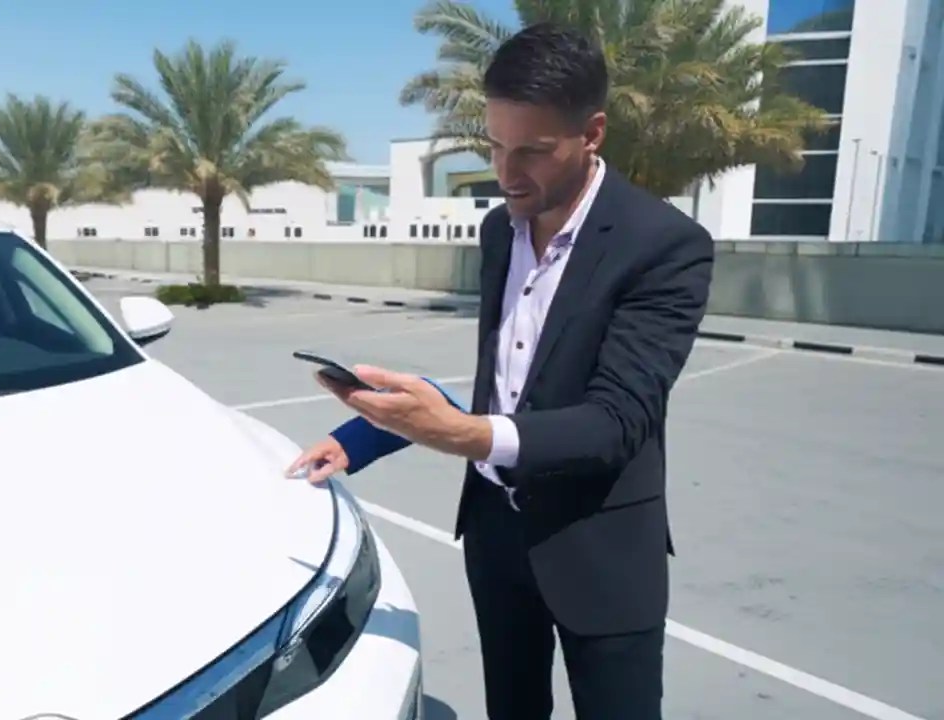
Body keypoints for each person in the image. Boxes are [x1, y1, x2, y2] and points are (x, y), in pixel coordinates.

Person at [287, 21, 714, 720]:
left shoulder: (664, 246)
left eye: (534, 152)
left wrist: (457, 435)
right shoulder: (499, 230)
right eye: (494, 146)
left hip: (600, 552)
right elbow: (506, 393)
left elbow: (616, 423)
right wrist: (365, 433)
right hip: (496, 542)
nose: (507, 174)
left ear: (594, 132)